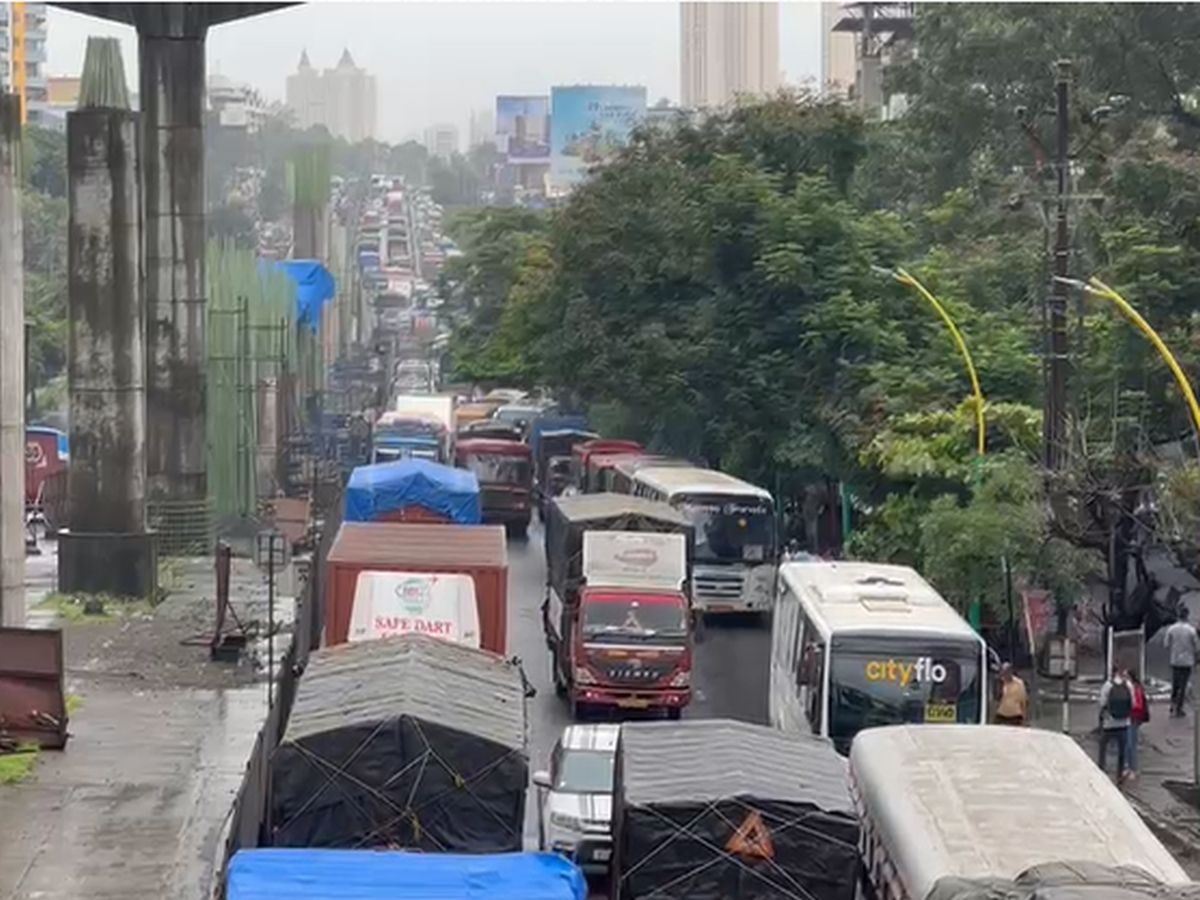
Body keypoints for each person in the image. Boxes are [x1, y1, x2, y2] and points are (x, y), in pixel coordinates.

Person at [1098, 666, 1132, 782]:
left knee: (1103, 746)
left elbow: (1102, 702)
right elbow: (1133, 703)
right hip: (1124, 723)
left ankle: (1101, 769)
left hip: (1109, 722)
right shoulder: (1128, 685)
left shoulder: (1108, 685)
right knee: (1122, 750)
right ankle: (1119, 774)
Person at [1165, 610, 1200, 717]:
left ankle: (1172, 705)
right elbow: (1197, 647)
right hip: (1187, 661)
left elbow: (1166, 644)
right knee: (1183, 685)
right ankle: (1179, 708)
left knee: (1175, 684)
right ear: (1187, 616)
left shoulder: (1171, 629)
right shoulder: (1191, 630)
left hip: (1175, 660)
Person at [1126, 670, 1150, 781]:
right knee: (1128, 744)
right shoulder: (1131, 687)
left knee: (1131, 744)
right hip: (1130, 718)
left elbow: (1138, 705)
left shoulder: (1135, 688)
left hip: (1133, 718)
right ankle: (1128, 767)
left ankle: (1133, 769)